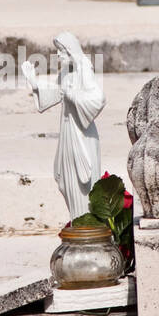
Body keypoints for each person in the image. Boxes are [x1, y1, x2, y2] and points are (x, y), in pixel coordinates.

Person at [21, 32, 106, 222]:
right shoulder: (67, 72)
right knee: (65, 182)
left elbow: (98, 99)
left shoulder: (84, 69)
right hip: (68, 133)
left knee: (83, 184)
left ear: (70, 50)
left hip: (82, 136)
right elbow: (55, 94)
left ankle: (87, 226)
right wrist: (34, 82)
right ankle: (78, 224)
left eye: (60, 51)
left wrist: (73, 96)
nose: (58, 55)